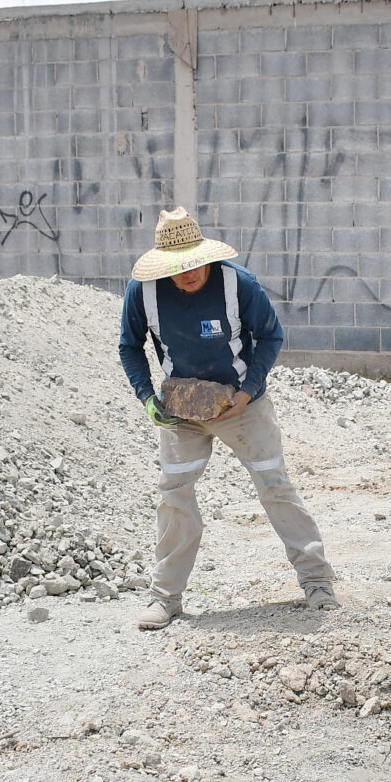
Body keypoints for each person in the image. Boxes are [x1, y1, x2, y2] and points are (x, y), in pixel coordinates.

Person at [117, 208, 337, 630]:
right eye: (178, 269)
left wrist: (248, 390)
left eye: (194, 264)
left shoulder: (238, 283)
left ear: (206, 256)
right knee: (174, 495)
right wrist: (147, 396)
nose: (189, 275)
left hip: (243, 407)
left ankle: (317, 582)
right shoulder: (143, 292)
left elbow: (270, 335)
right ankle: (166, 598)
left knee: (276, 486)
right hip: (180, 411)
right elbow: (130, 345)